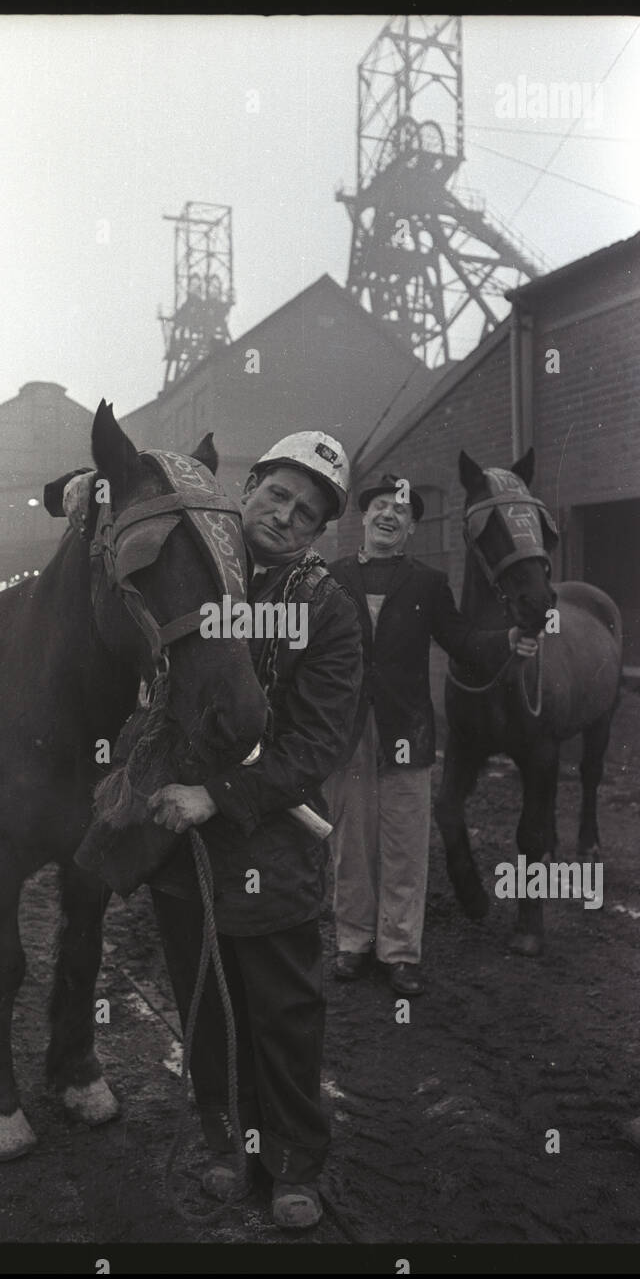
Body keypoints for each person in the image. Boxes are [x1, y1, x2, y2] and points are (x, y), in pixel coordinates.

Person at [146, 433, 362, 1231]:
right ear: (250, 483)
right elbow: (126, 492)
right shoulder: (190, 559)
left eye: (307, 513)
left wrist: (216, 794)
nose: (285, 516)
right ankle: (223, 1144)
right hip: (181, 842)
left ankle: (295, 1160)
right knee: (205, 1004)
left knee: (280, 1011)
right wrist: (75, 488)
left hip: (270, 847)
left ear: (320, 532)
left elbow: (315, 746)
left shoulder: (327, 607)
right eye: (277, 493)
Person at [327, 474, 537, 997]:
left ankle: (399, 951)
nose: (388, 516)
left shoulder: (427, 583)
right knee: (351, 842)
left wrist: (510, 639)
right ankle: (353, 942)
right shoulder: (329, 580)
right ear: (365, 516)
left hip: (406, 730)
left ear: (411, 528)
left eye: (399, 511)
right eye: (379, 506)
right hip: (346, 730)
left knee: (403, 842)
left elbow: (462, 641)